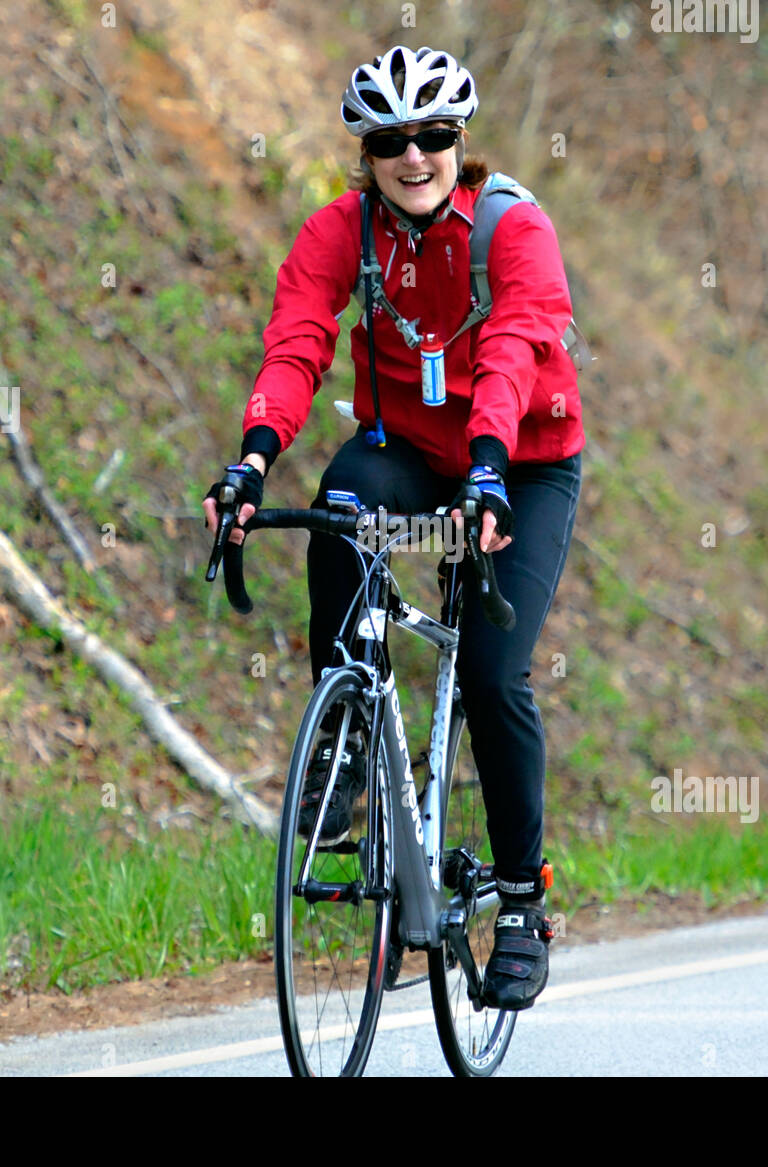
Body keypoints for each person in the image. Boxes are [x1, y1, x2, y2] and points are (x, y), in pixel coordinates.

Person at [203, 45, 584, 1010]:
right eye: (390, 141)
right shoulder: (343, 232)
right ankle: (350, 730)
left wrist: (491, 466)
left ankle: (523, 904)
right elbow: (298, 341)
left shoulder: (513, 228)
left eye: (434, 137)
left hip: (525, 463)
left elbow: (514, 350)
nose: (414, 157)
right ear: (366, 151)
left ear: (461, 140)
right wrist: (251, 459)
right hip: (410, 449)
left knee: (496, 670)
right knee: (341, 503)